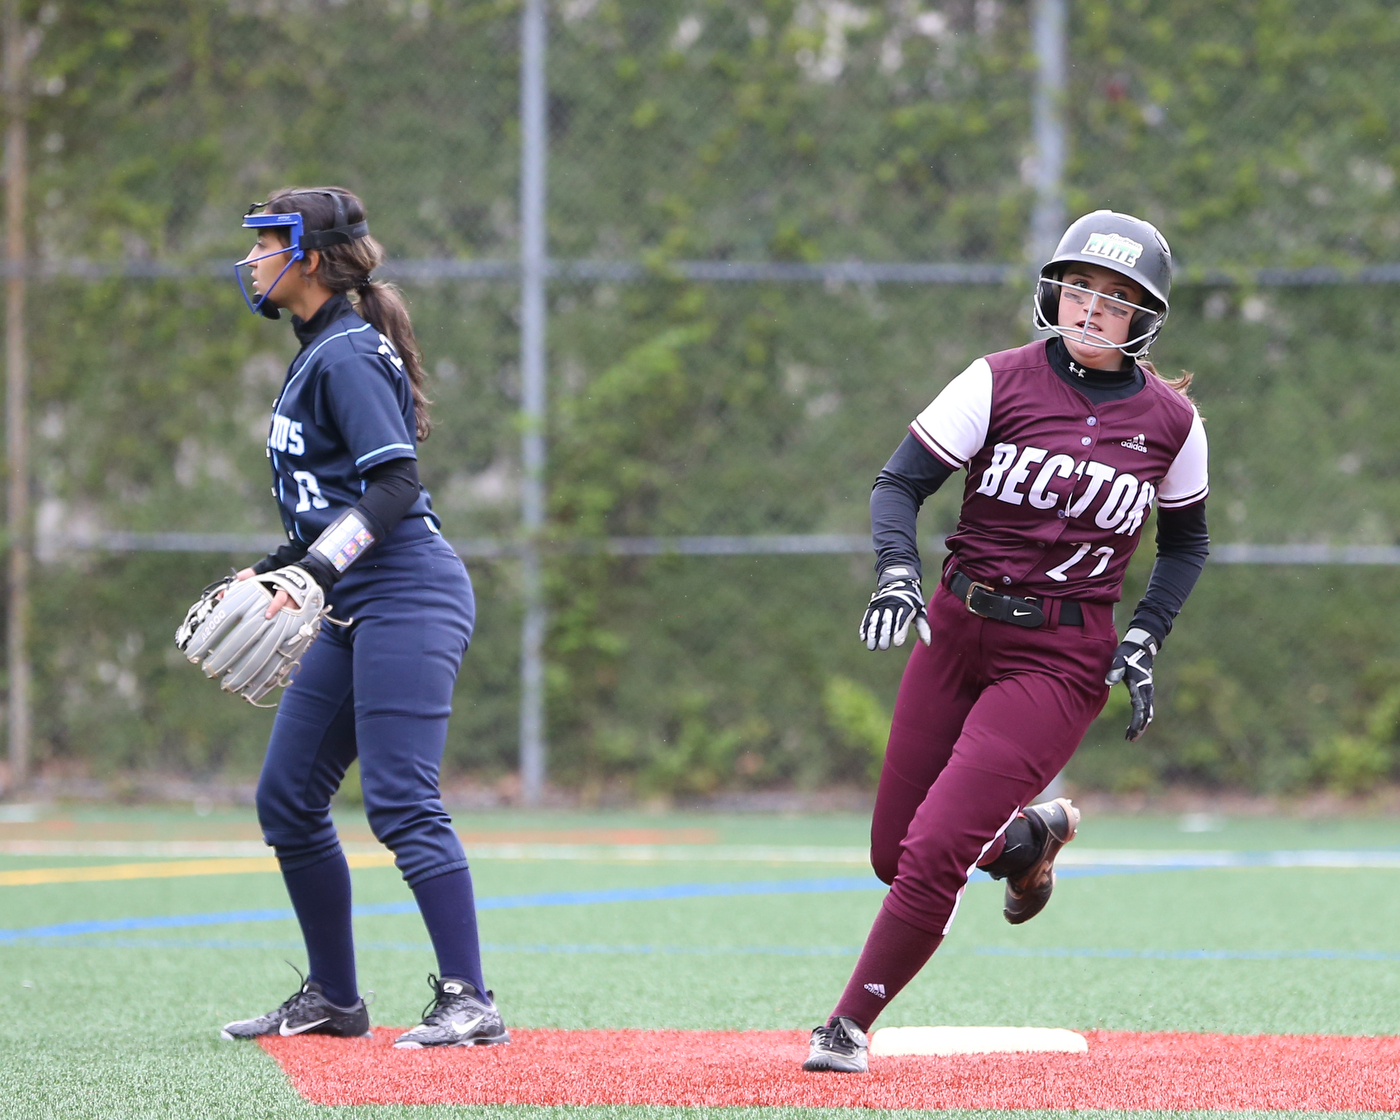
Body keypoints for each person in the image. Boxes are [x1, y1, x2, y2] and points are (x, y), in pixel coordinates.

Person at [804, 211, 1209, 1072]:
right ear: (1053, 290)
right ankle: (1024, 843)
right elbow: (899, 484)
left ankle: (844, 1028)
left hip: (1057, 659)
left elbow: (1187, 543)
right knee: (894, 851)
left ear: (1147, 318)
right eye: (1080, 286)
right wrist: (895, 572)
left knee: (933, 852)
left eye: (1117, 296)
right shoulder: (998, 380)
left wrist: (1144, 636)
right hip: (956, 630)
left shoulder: (1172, 423)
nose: (1093, 307)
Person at [216, 187, 508, 1049]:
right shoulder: (320, 349)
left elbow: (395, 486)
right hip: (356, 600)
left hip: (408, 593)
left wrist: (311, 568)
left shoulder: (344, 353)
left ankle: (471, 998)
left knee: (400, 801)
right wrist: (280, 567)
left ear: (309, 256)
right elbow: (330, 505)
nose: (253, 259)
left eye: (268, 243)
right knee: (288, 799)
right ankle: (335, 1000)